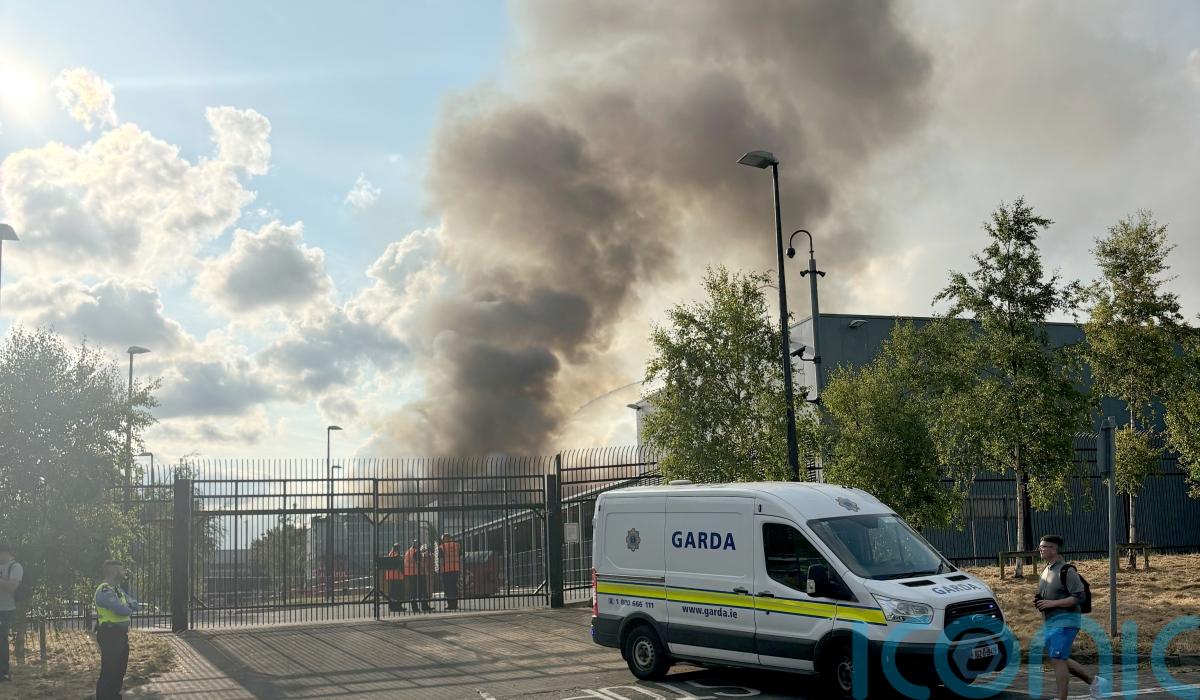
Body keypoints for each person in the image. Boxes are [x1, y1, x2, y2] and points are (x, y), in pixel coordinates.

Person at [1034, 535, 1105, 700]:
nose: (1040, 549)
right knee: (1059, 658)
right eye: (1040, 546)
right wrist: (1041, 601)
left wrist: (1052, 603)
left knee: (1058, 658)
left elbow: (1079, 597)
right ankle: (1094, 682)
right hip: (1051, 622)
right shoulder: (1046, 570)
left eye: (1043, 547)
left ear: (1054, 549)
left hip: (1066, 621)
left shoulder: (1067, 570)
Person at [95, 560, 140, 700]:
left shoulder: (118, 591)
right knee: (109, 671)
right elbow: (120, 610)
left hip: (120, 636)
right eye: (121, 570)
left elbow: (135, 604)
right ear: (114, 572)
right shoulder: (104, 590)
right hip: (110, 634)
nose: (124, 573)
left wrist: (128, 607)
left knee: (119, 671)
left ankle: (114, 696)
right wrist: (128, 607)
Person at [0, 544, 22, 683]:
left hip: (5, 609)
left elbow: (12, 586)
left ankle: (3, 671)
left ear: (5, 552)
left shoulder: (15, 567)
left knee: (1, 640)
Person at [403, 540, 431, 613]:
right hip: (418, 573)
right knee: (423, 590)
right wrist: (424, 570)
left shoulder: (408, 551)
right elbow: (419, 562)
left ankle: (414, 607)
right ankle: (424, 606)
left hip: (411, 574)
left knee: (413, 591)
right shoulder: (416, 551)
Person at [439, 534, 461, 611]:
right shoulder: (457, 545)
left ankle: (450, 604)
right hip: (455, 569)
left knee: (447, 588)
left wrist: (440, 570)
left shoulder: (442, 547)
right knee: (454, 587)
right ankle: (455, 604)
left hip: (446, 570)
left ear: (443, 539)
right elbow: (460, 556)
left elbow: (441, 560)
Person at [384, 543, 404, 613]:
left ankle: (393, 607)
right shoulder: (396, 555)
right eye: (398, 548)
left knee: (393, 592)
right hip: (396, 576)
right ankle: (397, 607)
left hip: (392, 576)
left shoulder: (390, 554)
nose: (399, 549)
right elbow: (400, 564)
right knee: (397, 593)